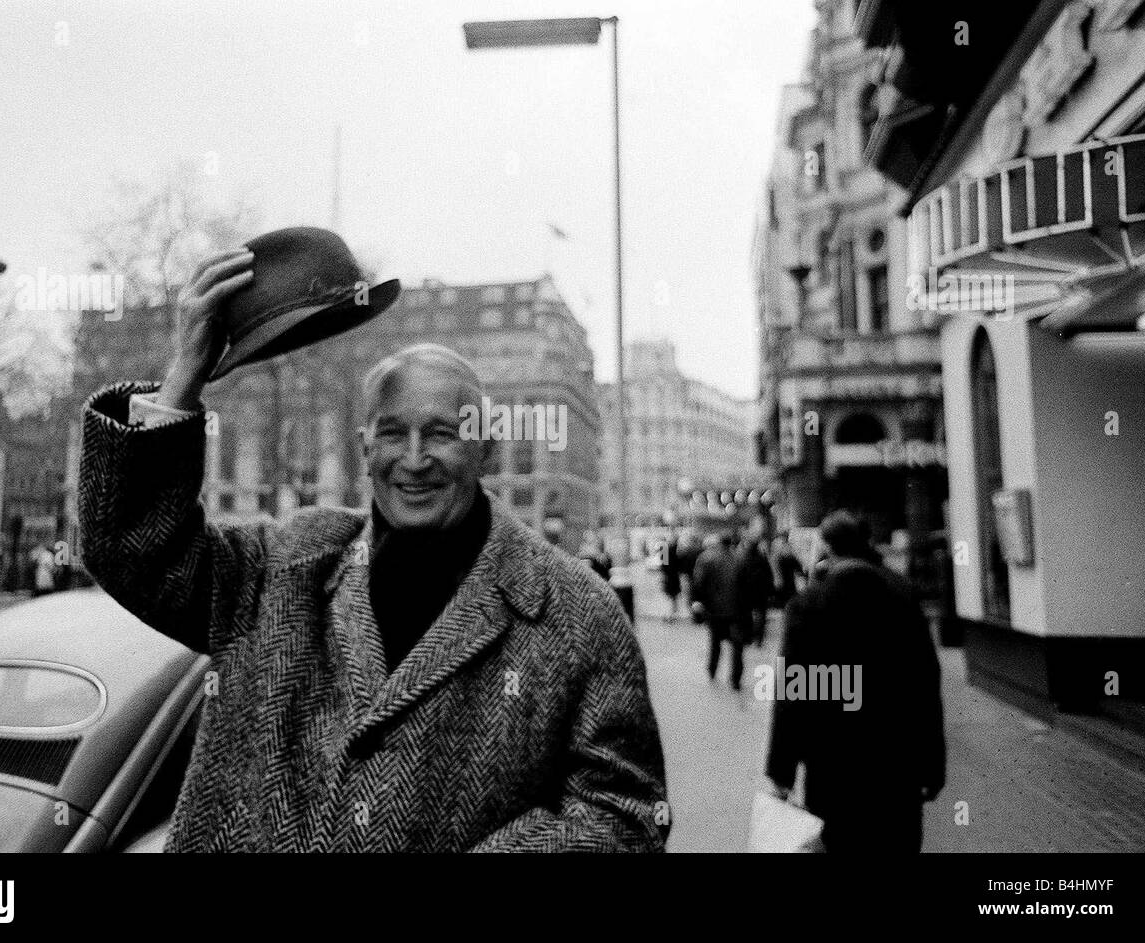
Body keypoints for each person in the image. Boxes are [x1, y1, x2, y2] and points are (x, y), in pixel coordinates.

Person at [78, 243, 668, 853]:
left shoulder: (575, 610)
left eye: (441, 433)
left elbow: (626, 814)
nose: (413, 460)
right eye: (392, 434)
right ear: (364, 449)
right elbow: (132, 551)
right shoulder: (285, 564)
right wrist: (184, 376)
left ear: (487, 449)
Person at [765, 510, 947, 853]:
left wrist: (781, 772)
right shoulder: (903, 595)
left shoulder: (810, 604)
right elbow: (926, 685)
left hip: (833, 769)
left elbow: (793, 695)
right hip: (898, 767)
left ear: (827, 549)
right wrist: (932, 766)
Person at [691, 531, 752, 690]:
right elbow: (748, 586)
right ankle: (735, 679)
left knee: (715, 642)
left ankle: (712, 670)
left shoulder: (707, 558)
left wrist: (698, 601)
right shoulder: (741, 559)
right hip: (737, 610)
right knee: (737, 646)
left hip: (714, 609)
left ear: (718, 542)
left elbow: (698, 583)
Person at [737, 516, 775, 647]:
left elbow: (739, 573)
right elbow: (768, 572)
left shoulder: (743, 556)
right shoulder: (762, 556)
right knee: (760, 613)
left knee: (748, 612)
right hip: (761, 589)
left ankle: (749, 636)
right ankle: (758, 638)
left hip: (747, 589)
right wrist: (770, 588)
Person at [770, 532, 804, 609]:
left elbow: (800, 570)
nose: (782, 547)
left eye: (783, 544)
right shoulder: (773, 560)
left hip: (788, 593)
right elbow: (778, 583)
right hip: (780, 596)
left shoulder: (790, 558)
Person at [659, 527, 683, 621]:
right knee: (673, 596)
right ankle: (673, 614)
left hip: (669, 576)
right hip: (674, 575)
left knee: (670, 596)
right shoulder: (678, 549)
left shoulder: (665, 548)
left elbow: (663, 564)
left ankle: (671, 614)